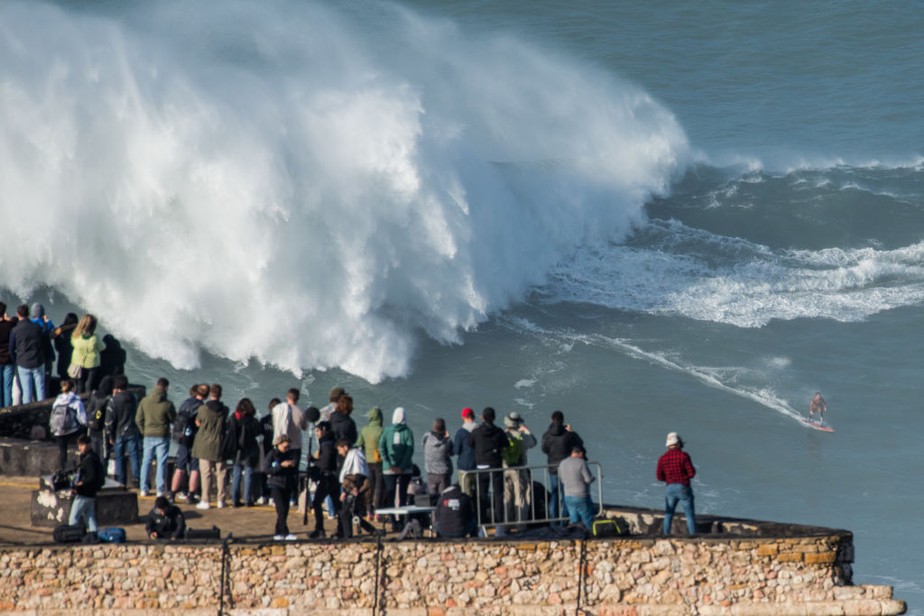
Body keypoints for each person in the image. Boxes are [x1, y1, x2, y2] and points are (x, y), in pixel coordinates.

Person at [468, 407, 510, 535]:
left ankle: (481, 529)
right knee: (498, 496)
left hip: (481, 467)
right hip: (496, 467)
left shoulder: (476, 432)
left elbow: (470, 444)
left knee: (482, 497)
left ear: (482, 418)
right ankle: (500, 529)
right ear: (494, 418)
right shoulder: (499, 432)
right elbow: (506, 445)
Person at [135, 378, 176, 498]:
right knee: (161, 463)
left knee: (146, 461)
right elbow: (173, 419)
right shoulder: (167, 404)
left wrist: (144, 431)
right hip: (162, 435)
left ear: (156, 386)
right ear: (166, 388)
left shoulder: (144, 401)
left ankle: (143, 488)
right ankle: (160, 490)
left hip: (148, 435)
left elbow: (138, 419)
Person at [542, 410, 584, 524]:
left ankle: (553, 522)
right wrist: (571, 431)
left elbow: (544, 449)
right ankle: (564, 521)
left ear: (552, 420)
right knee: (566, 494)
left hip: (552, 468)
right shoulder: (568, 435)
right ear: (562, 421)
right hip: (566, 469)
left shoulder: (547, 435)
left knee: (554, 494)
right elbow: (579, 444)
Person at [191, 384, 229, 510]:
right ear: (220, 394)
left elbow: (198, 422)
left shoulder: (203, 409)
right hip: (219, 443)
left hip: (205, 444)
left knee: (206, 473)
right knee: (221, 472)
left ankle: (206, 500)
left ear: (210, 394)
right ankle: (221, 500)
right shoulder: (225, 410)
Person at [170, 384, 208, 503]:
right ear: (206, 395)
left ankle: (172, 495)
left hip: (182, 439)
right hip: (195, 440)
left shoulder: (184, 403)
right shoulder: (202, 407)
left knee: (180, 468)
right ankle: (191, 496)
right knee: (194, 468)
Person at [656, 431, 697, 536]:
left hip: (670, 487)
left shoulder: (663, 458)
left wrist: (669, 479)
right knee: (689, 515)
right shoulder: (684, 456)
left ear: (668, 445)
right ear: (678, 443)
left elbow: (659, 476)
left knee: (669, 514)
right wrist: (684, 477)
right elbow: (692, 473)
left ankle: (666, 535)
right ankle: (692, 536)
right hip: (683, 486)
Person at [336, 438, 378, 538]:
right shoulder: (352, 454)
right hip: (349, 487)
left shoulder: (356, 454)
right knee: (352, 513)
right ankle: (373, 531)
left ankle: (347, 536)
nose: (340, 453)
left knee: (346, 513)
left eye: (340, 450)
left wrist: (356, 488)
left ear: (345, 447)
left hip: (355, 487)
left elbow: (359, 472)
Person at [502, 412, 536, 529]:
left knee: (507, 496)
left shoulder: (504, 435)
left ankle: (506, 524)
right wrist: (526, 430)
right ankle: (520, 525)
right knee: (521, 496)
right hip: (519, 470)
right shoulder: (523, 436)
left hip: (505, 469)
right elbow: (534, 442)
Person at [105, 375, 140, 488]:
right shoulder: (133, 398)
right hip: (132, 431)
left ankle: (121, 481)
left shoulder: (114, 400)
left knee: (119, 457)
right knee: (134, 455)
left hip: (119, 433)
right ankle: (136, 478)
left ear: (116, 387)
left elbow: (109, 420)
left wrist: (110, 435)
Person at [378, 407, 415, 514]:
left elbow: (381, 447)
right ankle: (403, 520)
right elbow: (410, 450)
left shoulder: (387, 431)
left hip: (389, 469)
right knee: (403, 495)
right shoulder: (408, 431)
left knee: (391, 495)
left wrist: (389, 464)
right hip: (405, 469)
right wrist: (402, 467)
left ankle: (394, 521)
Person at [9, 304, 46, 404]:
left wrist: (16, 360)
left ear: (18, 314)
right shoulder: (37, 327)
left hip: (23, 363)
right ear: (29, 313)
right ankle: (43, 409)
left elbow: (11, 349)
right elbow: (43, 342)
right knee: (40, 389)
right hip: (38, 360)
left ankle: (29, 413)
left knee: (27, 392)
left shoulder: (15, 330)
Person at [68, 435, 105, 533]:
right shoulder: (92, 457)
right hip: (91, 493)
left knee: (73, 517)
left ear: (88, 445)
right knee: (90, 517)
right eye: (79, 445)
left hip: (84, 493)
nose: (80, 448)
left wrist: (81, 483)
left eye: (82, 445)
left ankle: (72, 535)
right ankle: (94, 534)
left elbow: (91, 476)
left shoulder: (89, 459)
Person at [229, 398, 262, 507]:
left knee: (236, 474)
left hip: (237, 451)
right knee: (248, 475)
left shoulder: (234, 418)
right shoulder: (253, 421)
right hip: (250, 450)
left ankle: (235, 499)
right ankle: (248, 499)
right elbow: (259, 432)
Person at [265, 434, 298, 541]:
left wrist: (292, 465)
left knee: (286, 509)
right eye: (285, 447)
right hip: (276, 484)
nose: (286, 449)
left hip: (287, 484)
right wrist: (280, 466)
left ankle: (278, 532)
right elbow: (267, 469)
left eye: (288, 447)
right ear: (278, 444)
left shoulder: (289, 454)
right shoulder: (272, 454)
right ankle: (285, 532)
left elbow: (294, 471)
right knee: (281, 509)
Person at [49, 379, 87, 470]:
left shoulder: (57, 401)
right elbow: (83, 420)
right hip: (72, 430)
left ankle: (63, 470)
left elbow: (52, 416)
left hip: (58, 431)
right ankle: (81, 468)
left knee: (63, 451)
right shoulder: (76, 401)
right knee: (81, 446)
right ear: (73, 389)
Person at [310, 421, 339, 538]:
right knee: (338, 505)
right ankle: (340, 528)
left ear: (323, 430)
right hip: (333, 477)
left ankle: (320, 529)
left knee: (317, 503)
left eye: (318, 430)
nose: (316, 433)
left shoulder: (326, 444)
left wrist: (313, 461)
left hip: (327, 477)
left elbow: (325, 462)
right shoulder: (331, 442)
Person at [355, 406, 385, 518]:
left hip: (368, 461)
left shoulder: (364, 430)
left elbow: (358, 444)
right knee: (379, 486)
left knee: (370, 486)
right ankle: (377, 511)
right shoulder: (381, 430)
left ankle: (368, 511)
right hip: (379, 461)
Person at [558, 445, 595, 529]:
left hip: (568, 495)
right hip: (581, 495)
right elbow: (588, 479)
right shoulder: (581, 463)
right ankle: (592, 536)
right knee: (587, 518)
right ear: (581, 454)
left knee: (573, 519)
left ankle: (574, 536)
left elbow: (562, 479)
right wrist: (594, 478)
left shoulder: (562, 463)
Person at [271, 388, 307, 474]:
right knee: (293, 473)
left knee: (281, 470)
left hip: (282, 446)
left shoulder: (280, 409)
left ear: (287, 397)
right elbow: (304, 427)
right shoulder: (300, 412)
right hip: (295, 446)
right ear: (297, 398)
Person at [70, 314, 106, 394]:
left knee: (79, 385)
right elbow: (102, 347)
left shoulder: (76, 335)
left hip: (77, 363)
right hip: (91, 364)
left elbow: (73, 344)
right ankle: (88, 402)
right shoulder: (95, 338)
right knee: (88, 385)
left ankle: (78, 403)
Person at [85, 376, 114, 465]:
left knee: (91, 454)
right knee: (103, 456)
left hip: (90, 428)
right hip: (102, 431)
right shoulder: (108, 399)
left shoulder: (93, 394)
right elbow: (108, 417)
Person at [422, 418, 454, 496]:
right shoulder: (447, 441)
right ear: (444, 428)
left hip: (431, 473)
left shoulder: (426, 437)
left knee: (433, 499)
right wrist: (448, 438)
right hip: (443, 473)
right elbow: (452, 453)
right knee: (444, 498)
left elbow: (423, 446)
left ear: (434, 427)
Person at [452, 407, 478, 494]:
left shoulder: (461, 432)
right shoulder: (480, 430)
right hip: (478, 465)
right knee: (479, 492)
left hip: (464, 466)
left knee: (466, 492)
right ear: (473, 416)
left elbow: (456, 451)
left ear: (463, 417)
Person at [29, 303, 56, 386]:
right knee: (45, 382)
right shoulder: (47, 324)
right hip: (47, 356)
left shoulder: (29, 323)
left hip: (33, 356)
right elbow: (52, 331)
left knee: (33, 383)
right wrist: (48, 321)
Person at [0, 303, 19, 408]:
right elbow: (15, 322)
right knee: (7, 387)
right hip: (8, 359)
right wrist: (7, 320)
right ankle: (7, 409)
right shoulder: (10, 325)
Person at [51, 313, 78, 381]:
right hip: (73, 360)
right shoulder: (77, 332)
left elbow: (53, 335)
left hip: (62, 359)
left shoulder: (60, 330)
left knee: (63, 378)